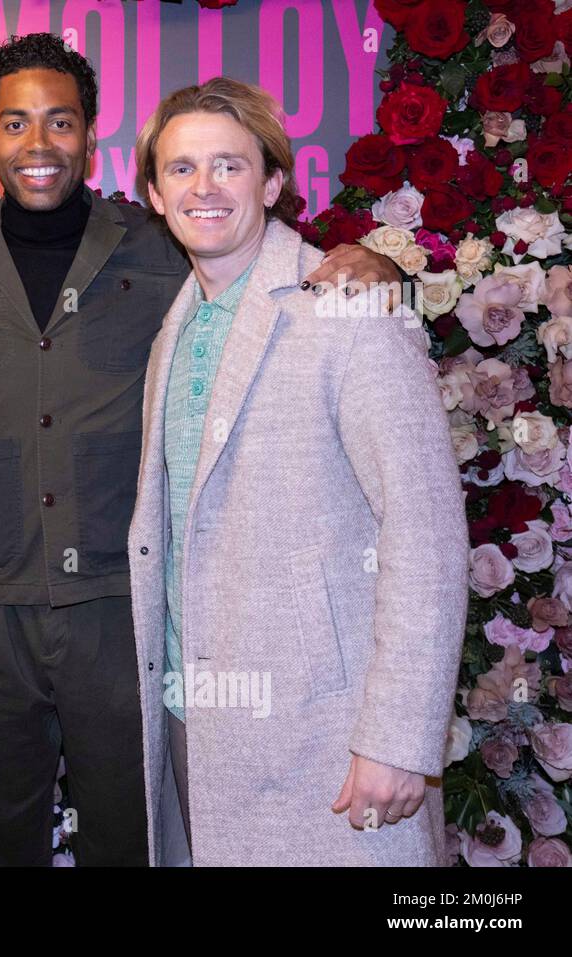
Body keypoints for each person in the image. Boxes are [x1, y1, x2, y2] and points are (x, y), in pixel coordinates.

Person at [0, 32, 404, 866]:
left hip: (123, 606)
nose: (39, 144)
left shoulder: (162, 242)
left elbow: (279, 265)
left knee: (136, 838)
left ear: (92, 133)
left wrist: (375, 260)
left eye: (61, 122)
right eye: (15, 123)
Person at [128, 76, 469, 866]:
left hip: (332, 745)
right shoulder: (173, 332)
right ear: (152, 192)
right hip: (198, 732)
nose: (203, 188)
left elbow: (425, 532)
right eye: (181, 169)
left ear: (273, 181)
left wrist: (397, 736)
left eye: (229, 166)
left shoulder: (346, 307)